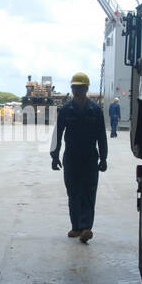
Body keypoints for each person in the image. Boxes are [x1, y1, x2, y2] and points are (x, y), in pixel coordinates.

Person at [50, 72, 107, 242]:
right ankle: (76, 227)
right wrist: (55, 156)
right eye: (74, 87)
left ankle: (86, 227)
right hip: (71, 158)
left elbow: (101, 136)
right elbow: (57, 134)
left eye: (80, 87)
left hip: (90, 157)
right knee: (73, 191)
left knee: (88, 192)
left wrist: (103, 158)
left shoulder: (95, 110)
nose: (77, 90)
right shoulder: (66, 110)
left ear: (86, 88)